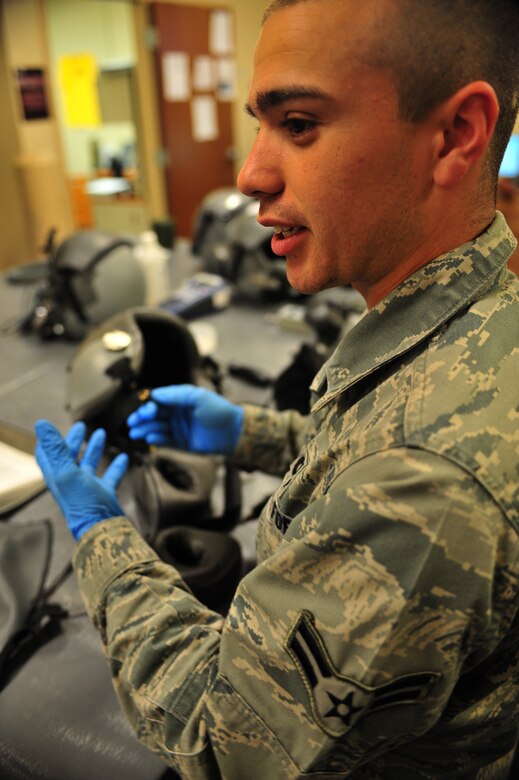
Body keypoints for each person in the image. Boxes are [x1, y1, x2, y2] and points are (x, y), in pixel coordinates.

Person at [34, 0, 519, 777]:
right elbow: (374, 453)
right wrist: (250, 435)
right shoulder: (478, 321)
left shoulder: (429, 479)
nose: (250, 173)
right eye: (261, 124)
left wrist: (100, 537)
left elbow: (223, 739)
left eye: (298, 124)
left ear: (456, 134)